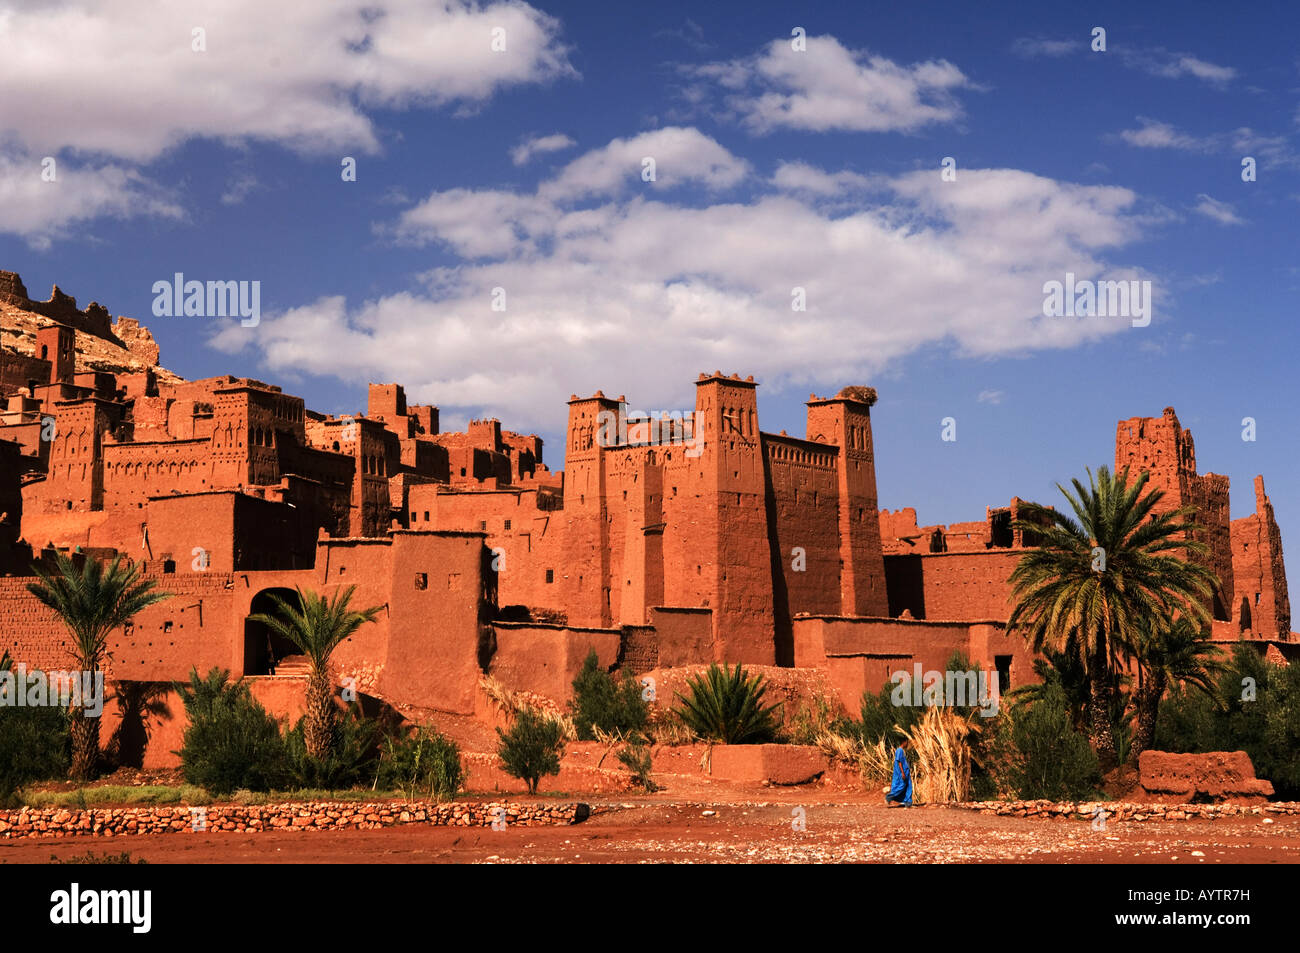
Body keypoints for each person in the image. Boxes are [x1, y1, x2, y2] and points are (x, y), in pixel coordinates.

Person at [885, 737, 913, 807]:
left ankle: (908, 802)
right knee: (901, 786)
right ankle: (889, 797)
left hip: (906, 772)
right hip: (902, 773)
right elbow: (899, 762)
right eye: (907, 742)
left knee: (908, 786)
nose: (907, 744)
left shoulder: (902, 751)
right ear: (904, 742)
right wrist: (902, 773)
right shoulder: (899, 750)